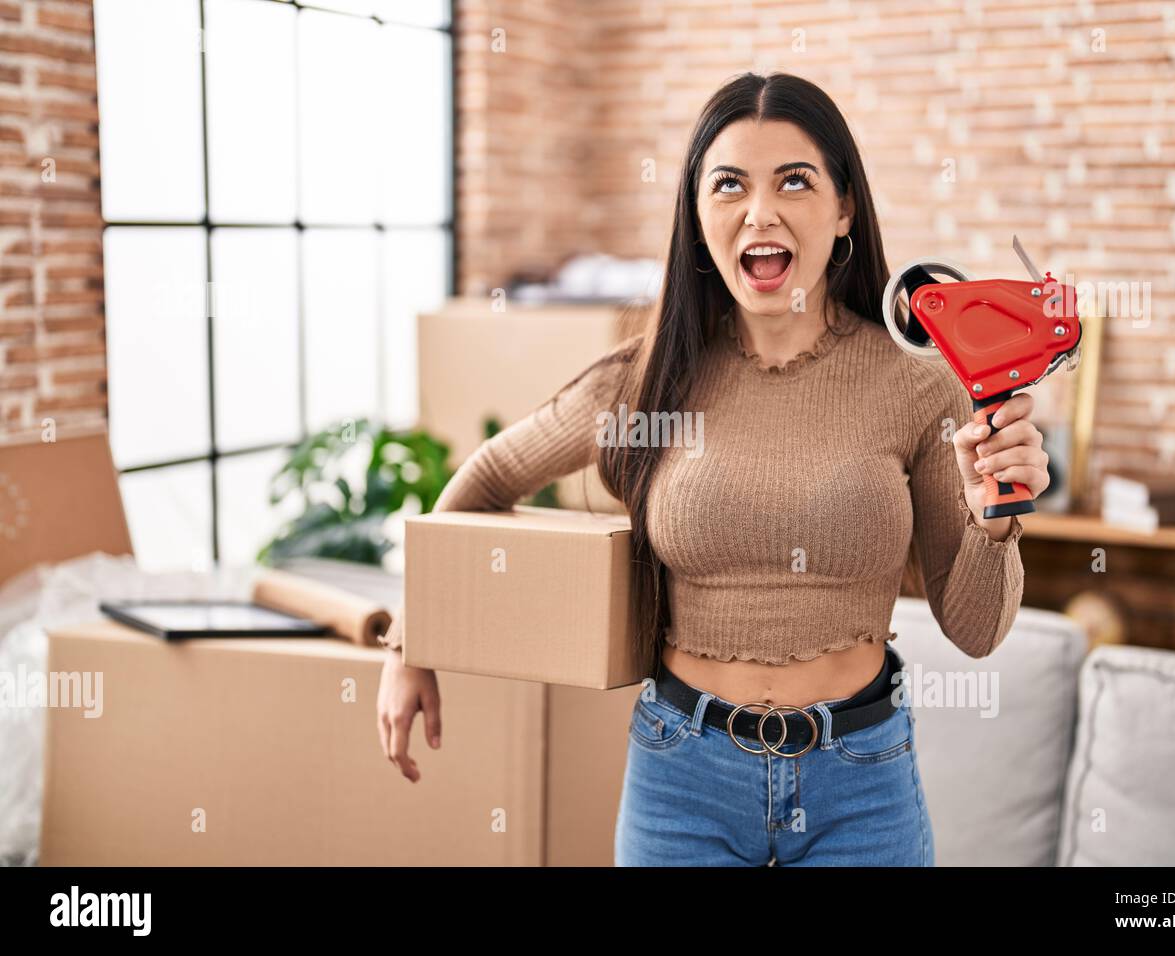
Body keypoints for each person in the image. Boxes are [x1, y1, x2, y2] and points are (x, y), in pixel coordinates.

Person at [376, 71, 1048, 866]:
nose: (759, 212)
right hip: (682, 775)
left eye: (794, 181)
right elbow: (483, 481)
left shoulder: (918, 385)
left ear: (844, 213)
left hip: (861, 780)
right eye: (728, 184)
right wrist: (409, 645)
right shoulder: (647, 379)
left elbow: (975, 630)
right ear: (697, 218)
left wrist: (994, 518)